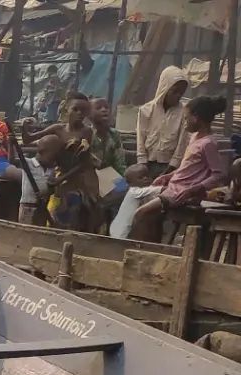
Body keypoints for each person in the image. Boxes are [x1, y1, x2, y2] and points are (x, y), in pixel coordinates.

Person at [128, 95, 229, 243]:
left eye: (186, 118)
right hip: (173, 187)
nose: (185, 122)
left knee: (140, 214)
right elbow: (187, 168)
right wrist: (168, 176)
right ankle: (151, 246)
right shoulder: (195, 138)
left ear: (196, 118)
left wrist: (194, 189)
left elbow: (219, 174)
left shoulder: (208, 143)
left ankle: (141, 248)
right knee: (140, 201)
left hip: (181, 193)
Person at [35, 132, 101, 232]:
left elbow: (88, 164)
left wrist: (61, 179)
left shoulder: (75, 152)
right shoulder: (56, 164)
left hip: (80, 190)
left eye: (42, 152)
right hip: (61, 194)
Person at [135, 65, 189, 181]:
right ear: (164, 88)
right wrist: (142, 162)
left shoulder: (184, 113)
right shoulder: (146, 110)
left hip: (170, 165)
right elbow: (141, 137)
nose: (178, 95)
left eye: (181, 92)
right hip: (148, 163)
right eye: (175, 92)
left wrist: (173, 166)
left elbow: (182, 142)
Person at [88, 96, 129, 219]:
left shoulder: (114, 134)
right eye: (98, 107)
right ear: (89, 114)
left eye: (106, 107)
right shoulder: (87, 133)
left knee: (126, 190)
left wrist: (124, 179)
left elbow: (120, 161)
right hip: (89, 175)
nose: (104, 110)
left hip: (108, 174)